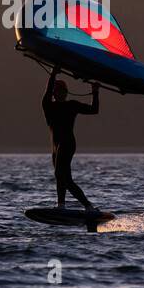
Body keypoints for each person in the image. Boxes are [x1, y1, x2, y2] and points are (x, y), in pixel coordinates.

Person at [42, 66, 99, 211]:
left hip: (67, 144)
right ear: (54, 93)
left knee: (61, 175)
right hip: (55, 147)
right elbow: (47, 92)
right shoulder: (48, 105)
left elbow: (94, 110)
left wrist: (95, 92)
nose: (61, 94)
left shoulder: (72, 105)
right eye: (58, 91)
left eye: (63, 91)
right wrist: (53, 75)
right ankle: (62, 205)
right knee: (62, 178)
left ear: (66, 93)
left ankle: (88, 206)